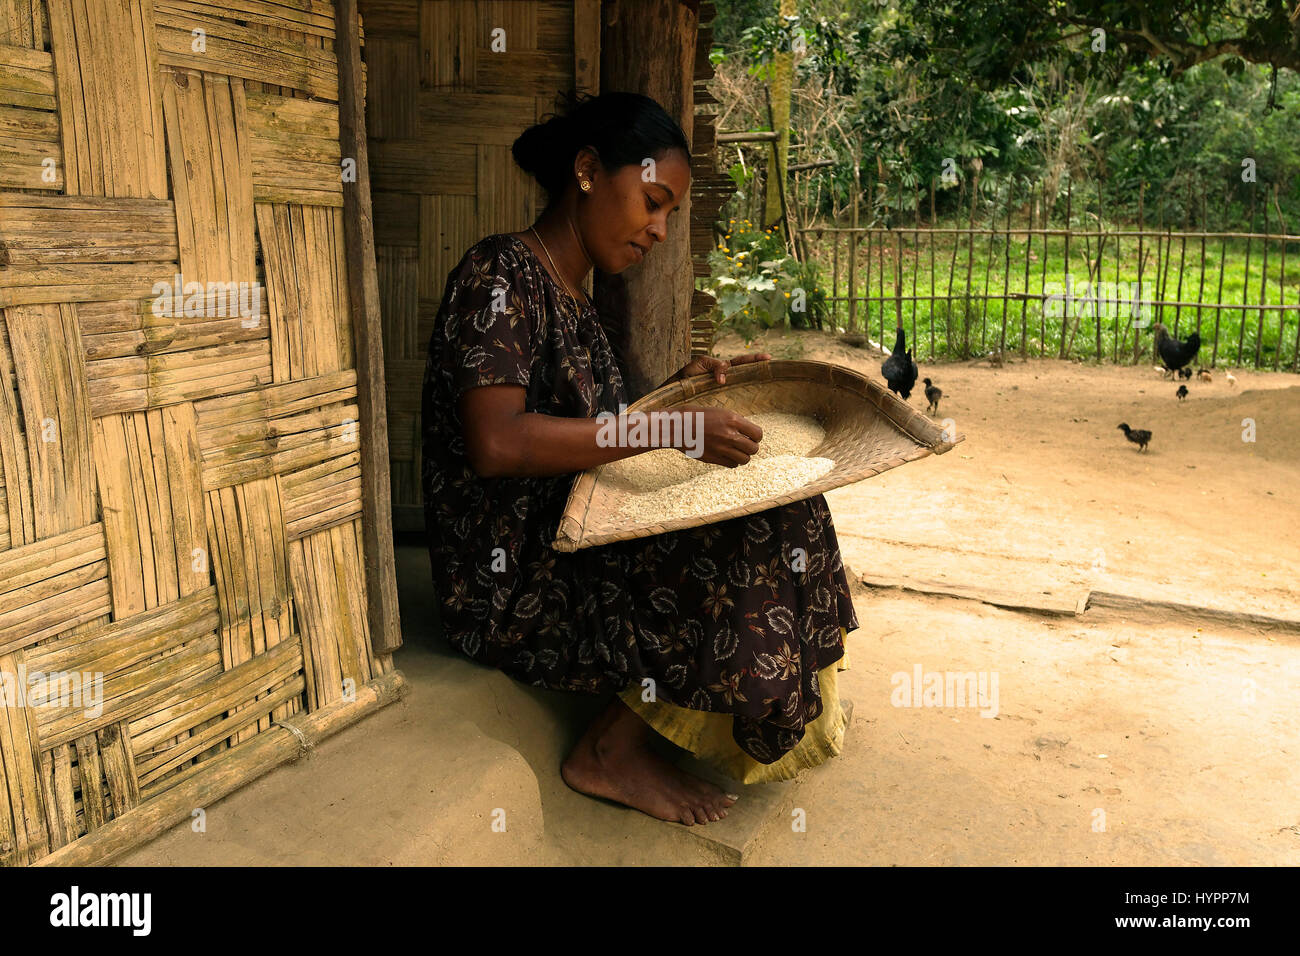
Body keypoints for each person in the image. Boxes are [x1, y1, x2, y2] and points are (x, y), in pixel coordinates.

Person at [421, 91, 858, 827]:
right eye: (651, 202)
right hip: (512, 579)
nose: (658, 230)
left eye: (669, 215)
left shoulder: (578, 302)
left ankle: (713, 717)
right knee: (749, 536)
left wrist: (673, 396)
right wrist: (670, 431)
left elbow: (589, 434)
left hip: (579, 538)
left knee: (783, 497)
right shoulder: (498, 275)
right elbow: (497, 444)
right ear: (588, 170)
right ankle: (608, 752)